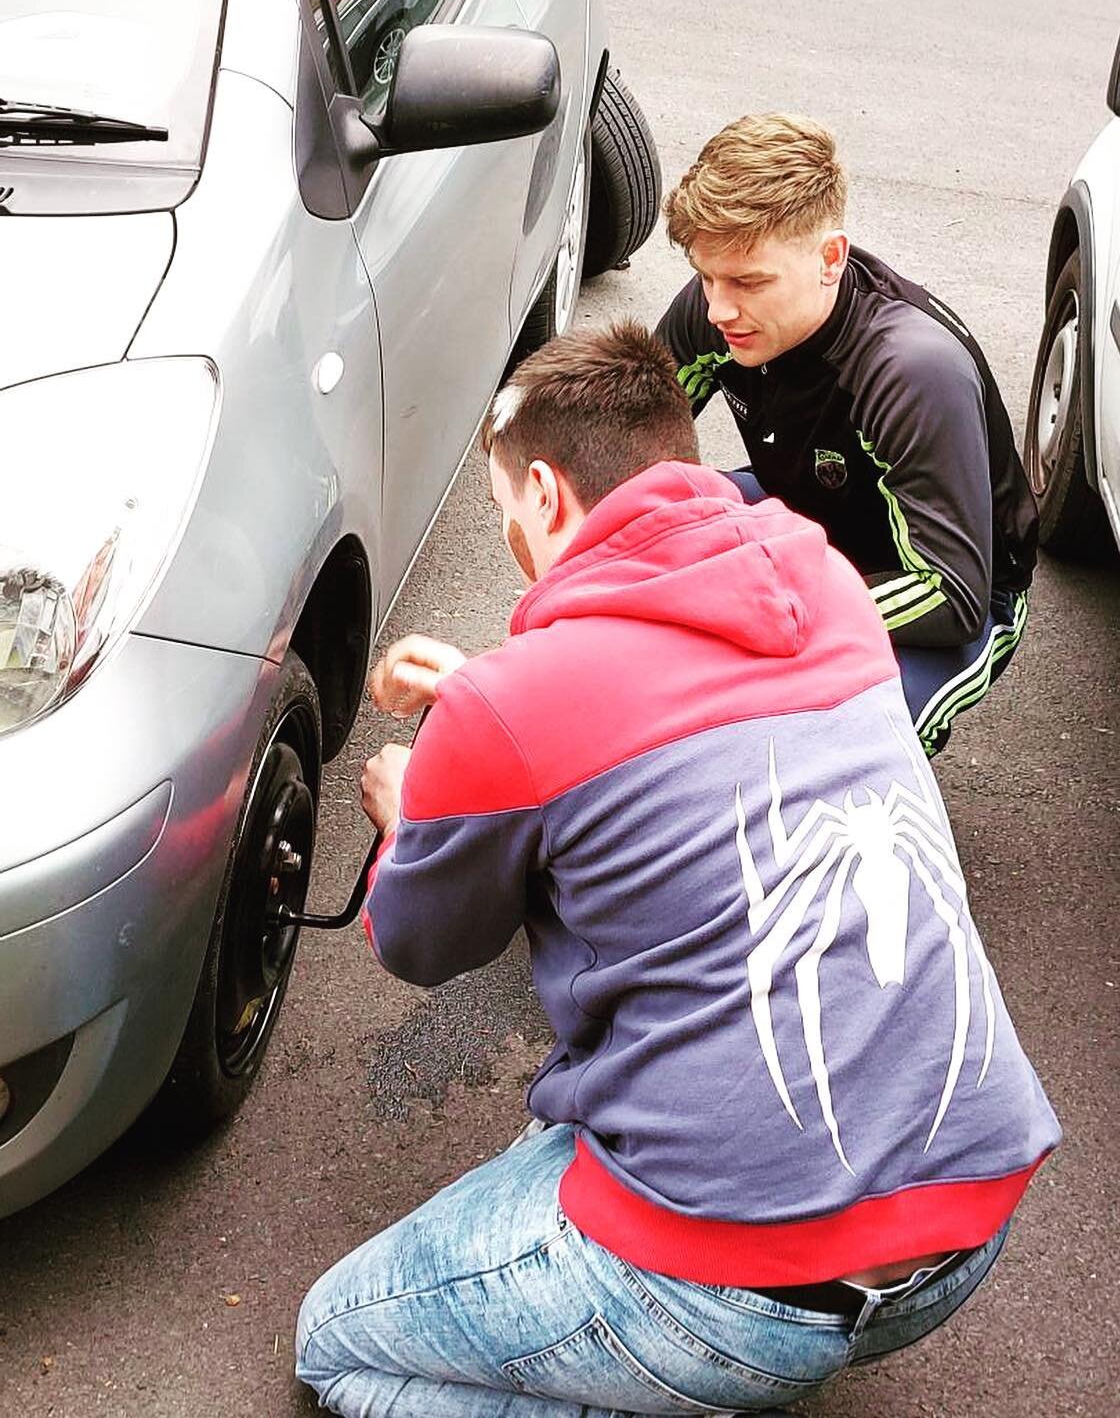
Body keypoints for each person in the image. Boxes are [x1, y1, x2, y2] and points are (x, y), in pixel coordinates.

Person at [295, 321, 1059, 1418]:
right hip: (961, 1224)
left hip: (731, 1289)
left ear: (547, 496)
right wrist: (489, 712)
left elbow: (421, 942)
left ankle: (674, 1375)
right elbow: (678, 725)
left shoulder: (511, 709)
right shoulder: (827, 588)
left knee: (335, 1347)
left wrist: (426, 803)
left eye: (509, 514)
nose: (513, 538)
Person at [655, 114, 1037, 759]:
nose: (718, 309)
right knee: (655, 525)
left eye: (748, 282)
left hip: (944, 587)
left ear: (830, 259)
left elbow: (954, 597)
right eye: (705, 276)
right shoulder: (720, 310)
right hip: (806, 514)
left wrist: (755, 612)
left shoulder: (911, 370)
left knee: (831, 756)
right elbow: (630, 455)